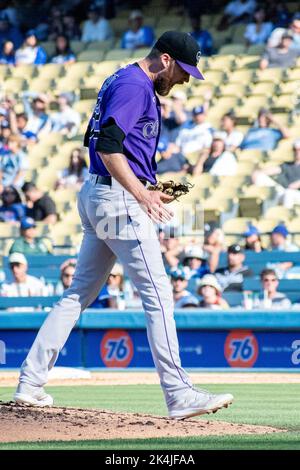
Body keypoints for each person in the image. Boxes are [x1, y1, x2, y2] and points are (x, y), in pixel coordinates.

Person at [14, 31, 233, 418]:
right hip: (116, 199)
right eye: (182, 71)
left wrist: (149, 187)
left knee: (78, 294)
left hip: (101, 194)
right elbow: (106, 146)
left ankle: (30, 383)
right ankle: (179, 393)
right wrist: (140, 194)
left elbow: (101, 142)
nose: (184, 79)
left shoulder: (120, 79)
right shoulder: (134, 85)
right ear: (165, 59)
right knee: (158, 294)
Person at [252, 138, 300, 208]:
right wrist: (258, 172)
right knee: (260, 176)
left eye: (299, 150)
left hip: (295, 193)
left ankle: (285, 215)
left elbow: (293, 187)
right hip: (284, 190)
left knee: (289, 193)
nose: (297, 152)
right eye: (295, 150)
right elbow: (275, 170)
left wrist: (298, 184)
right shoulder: (287, 165)